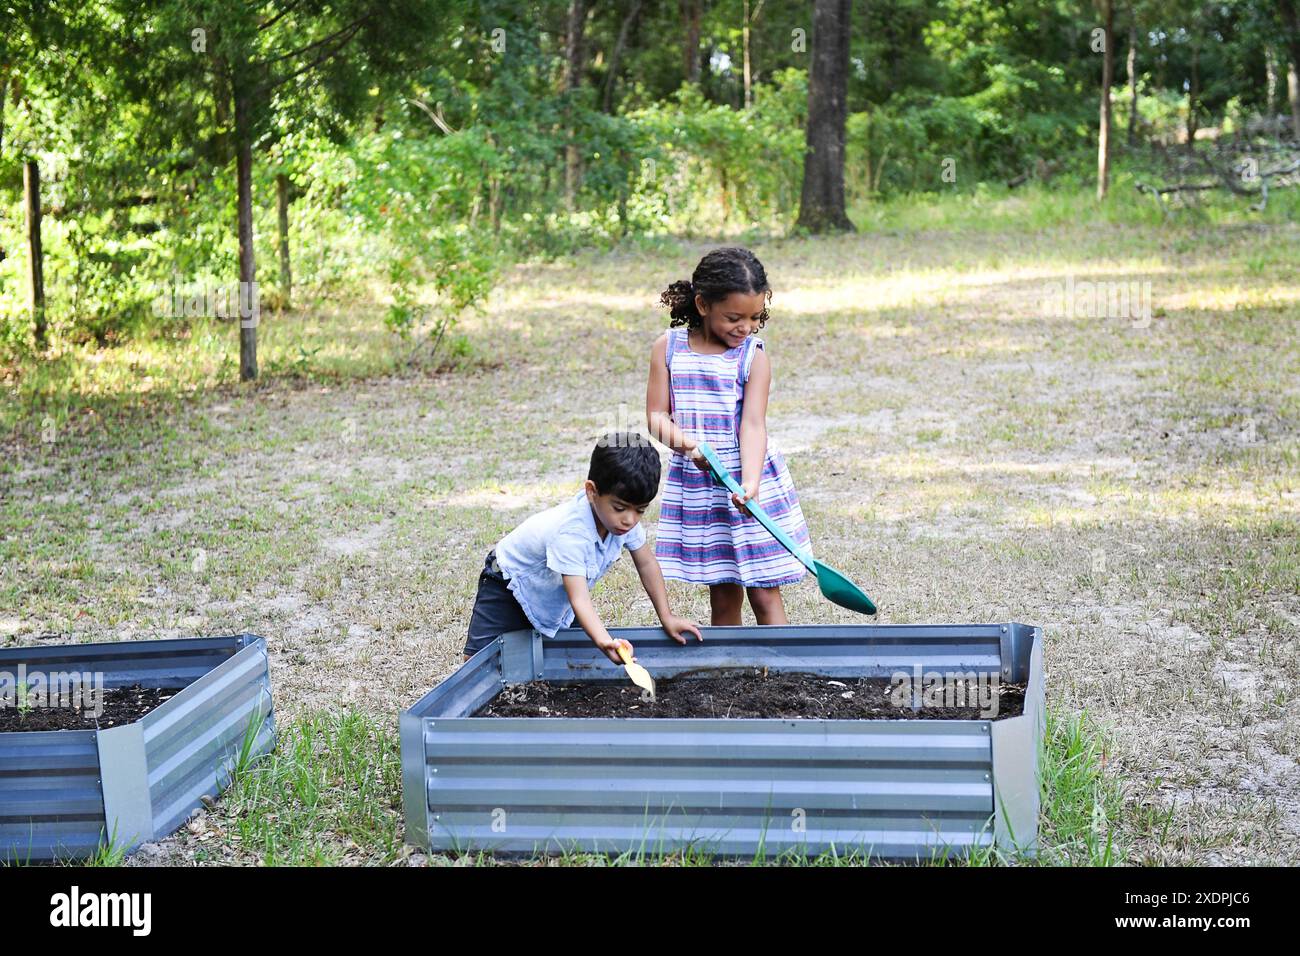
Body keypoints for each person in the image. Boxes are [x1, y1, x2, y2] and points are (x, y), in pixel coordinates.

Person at [646, 246, 812, 626]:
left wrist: (750, 482)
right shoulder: (668, 349)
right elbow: (656, 417)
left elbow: (753, 425)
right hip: (703, 484)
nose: (746, 327)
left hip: (747, 481)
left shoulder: (753, 357)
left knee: (765, 590)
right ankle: (730, 675)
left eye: (755, 318)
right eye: (734, 317)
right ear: (702, 305)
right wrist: (688, 445)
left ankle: (781, 674)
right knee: (722, 591)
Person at [463, 433, 702, 663]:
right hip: (507, 583)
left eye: (640, 510)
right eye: (620, 508)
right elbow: (579, 598)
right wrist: (604, 640)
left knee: (571, 659)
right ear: (591, 491)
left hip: (552, 589)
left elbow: (647, 563)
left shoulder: (621, 522)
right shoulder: (571, 533)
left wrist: (666, 616)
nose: (630, 519)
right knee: (479, 663)